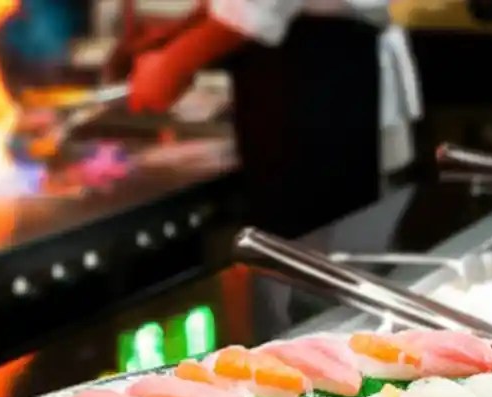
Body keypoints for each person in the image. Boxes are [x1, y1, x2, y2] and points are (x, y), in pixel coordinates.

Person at [108, 0, 420, 239]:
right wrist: (177, 34)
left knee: (313, 262)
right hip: (296, 67)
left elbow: (260, 8)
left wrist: (173, 64)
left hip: (316, 73)